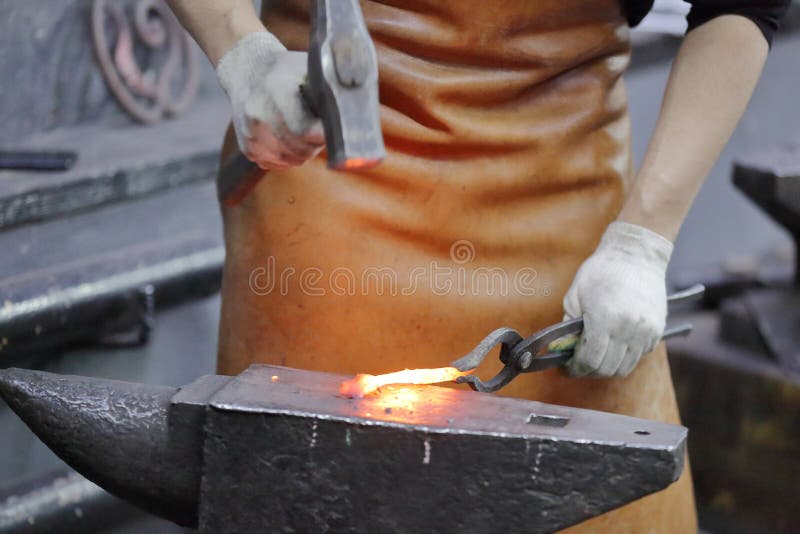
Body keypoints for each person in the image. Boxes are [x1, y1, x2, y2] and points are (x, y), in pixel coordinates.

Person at [167, 0, 790, 531]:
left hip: (568, 211)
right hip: (324, 182)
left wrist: (643, 240)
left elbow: (742, 4)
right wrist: (241, 52)